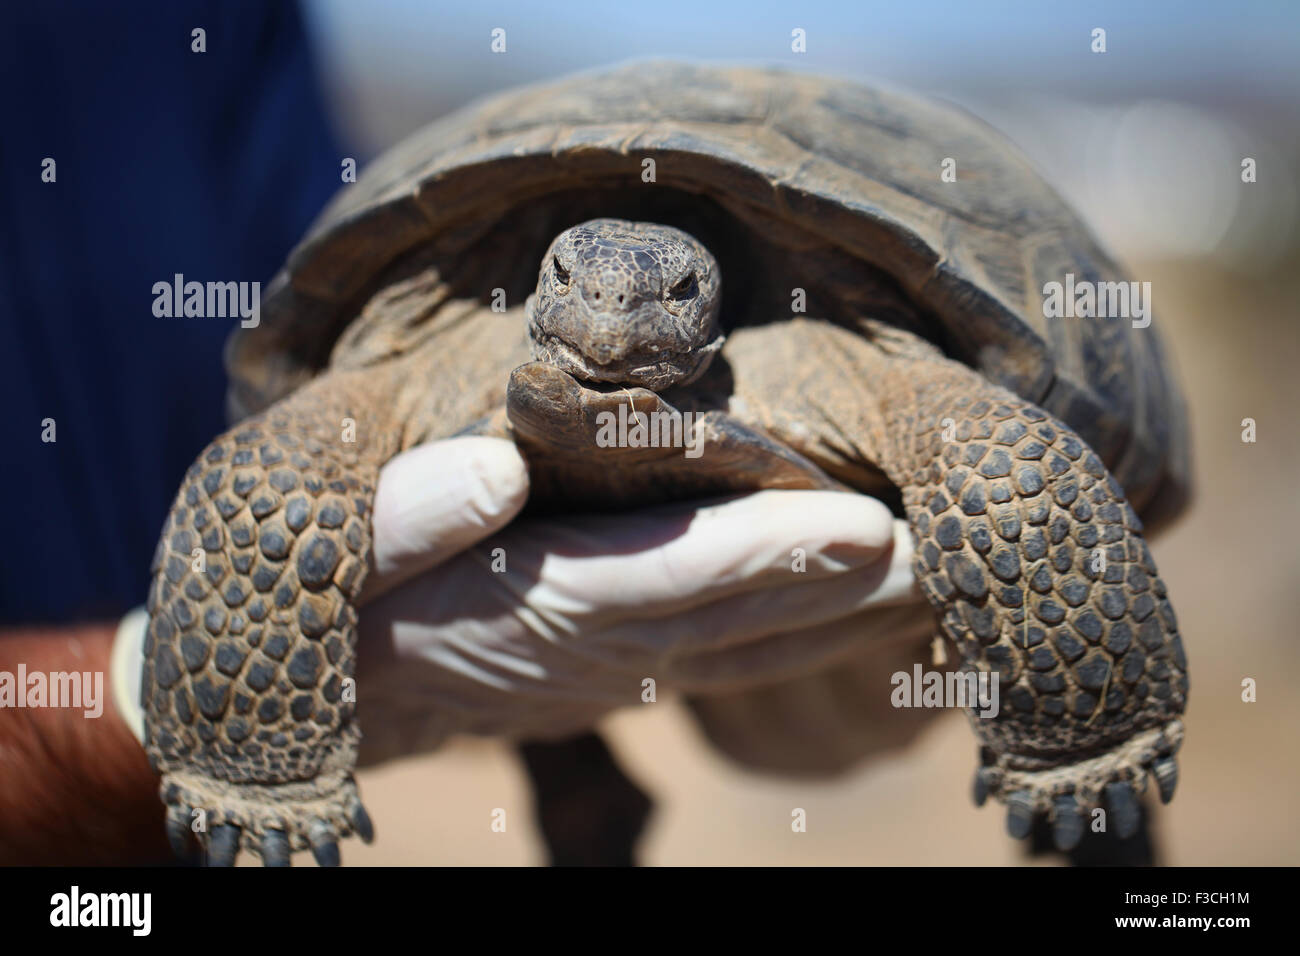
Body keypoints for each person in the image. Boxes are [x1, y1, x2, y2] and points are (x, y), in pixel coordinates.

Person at [0, 1, 919, 865]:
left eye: (671, 297)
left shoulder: (218, 22)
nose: (612, 321)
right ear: (541, 281)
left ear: (716, 298)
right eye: (576, 284)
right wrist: (153, 709)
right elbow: (285, 439)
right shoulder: (430, 343)